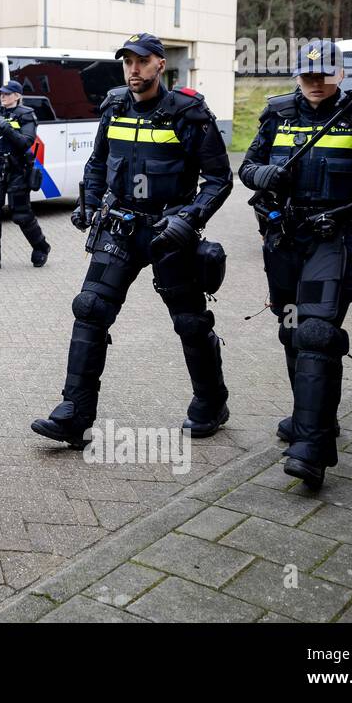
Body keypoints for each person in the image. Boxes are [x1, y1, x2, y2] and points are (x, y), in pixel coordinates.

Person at [33, 33, 233, 447]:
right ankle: (74, 414)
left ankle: (212, 402)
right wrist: (88, 203)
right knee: (89, 309)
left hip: (169, 234)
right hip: (120, 228)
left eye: (142, 61)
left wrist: (189, 217)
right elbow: (98, 162)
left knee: (190, 322)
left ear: (160, 64)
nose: (134, 69)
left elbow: (219, 179)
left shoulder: (189, 113)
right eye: (127, 62)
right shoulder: (115, 105)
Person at [239, 40, 352, 490]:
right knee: (292, 327)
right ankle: (311, 416)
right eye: (307, 75)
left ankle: (312, 448)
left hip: (334, 239)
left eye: (324, 74)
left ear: (341, 74)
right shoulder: (278, 113)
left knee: (317, 331)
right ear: (297, 75)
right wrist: (263, 176)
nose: (315, 83)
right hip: (283, 237)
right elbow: (248, 165)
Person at [0, 78, 49, 270]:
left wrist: (7, 127)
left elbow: (26, 143)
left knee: (21, 214)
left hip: (17, 171)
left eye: (7, 94)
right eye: (1, 94)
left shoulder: (26, 115)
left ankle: (41, 247)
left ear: (17, 96)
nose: (3, 97)